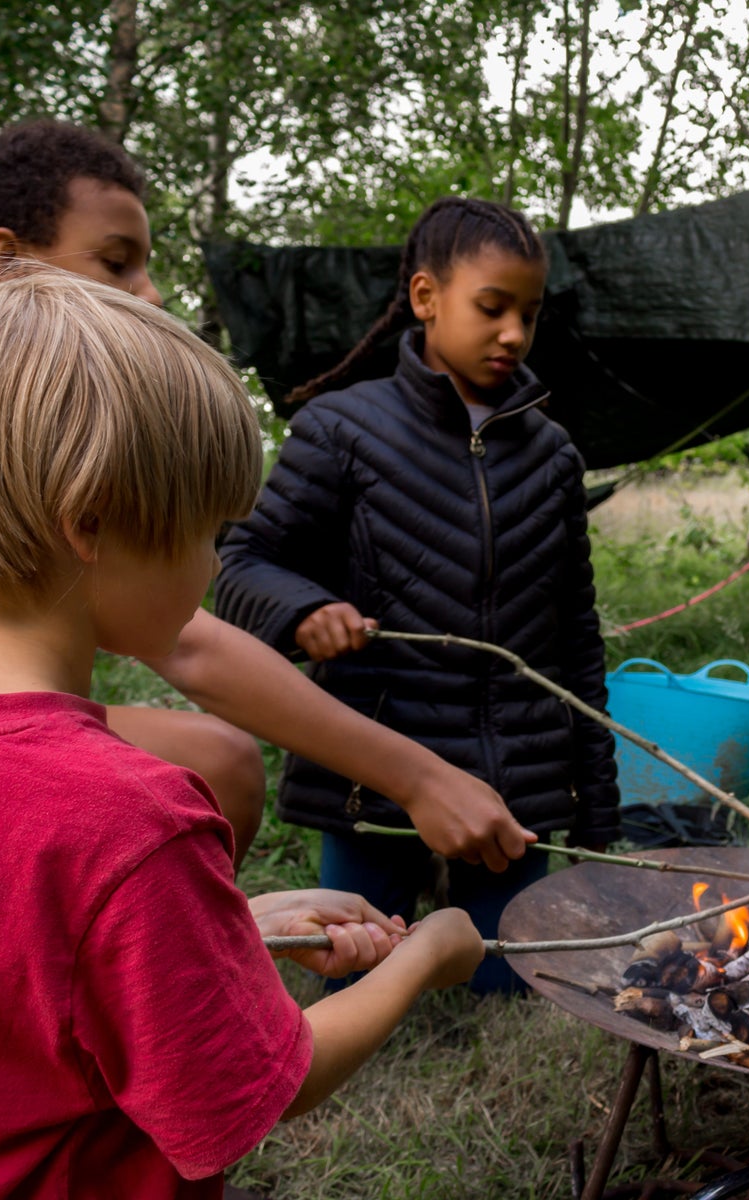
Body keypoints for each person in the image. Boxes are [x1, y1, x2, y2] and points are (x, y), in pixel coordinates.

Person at [0, 120, 529, 1134]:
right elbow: (186, 642)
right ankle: (136, 1006)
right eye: (118, 262)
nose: (147, 291)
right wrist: (419, 829)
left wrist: (241, 916)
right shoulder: (5, 438)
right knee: (214, 771)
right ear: (6, 265)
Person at [215, 197, 619, 993]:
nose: (513, 333)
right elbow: (243, 560)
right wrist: (305, 611)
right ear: (427, 297)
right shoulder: (341, 431)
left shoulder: (552, 457)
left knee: (502, 980)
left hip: (516, 782)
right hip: (373, 773)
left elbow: (576, 635)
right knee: (357, 973)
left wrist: (598, 815)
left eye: (529, 315)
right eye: (492, 307)